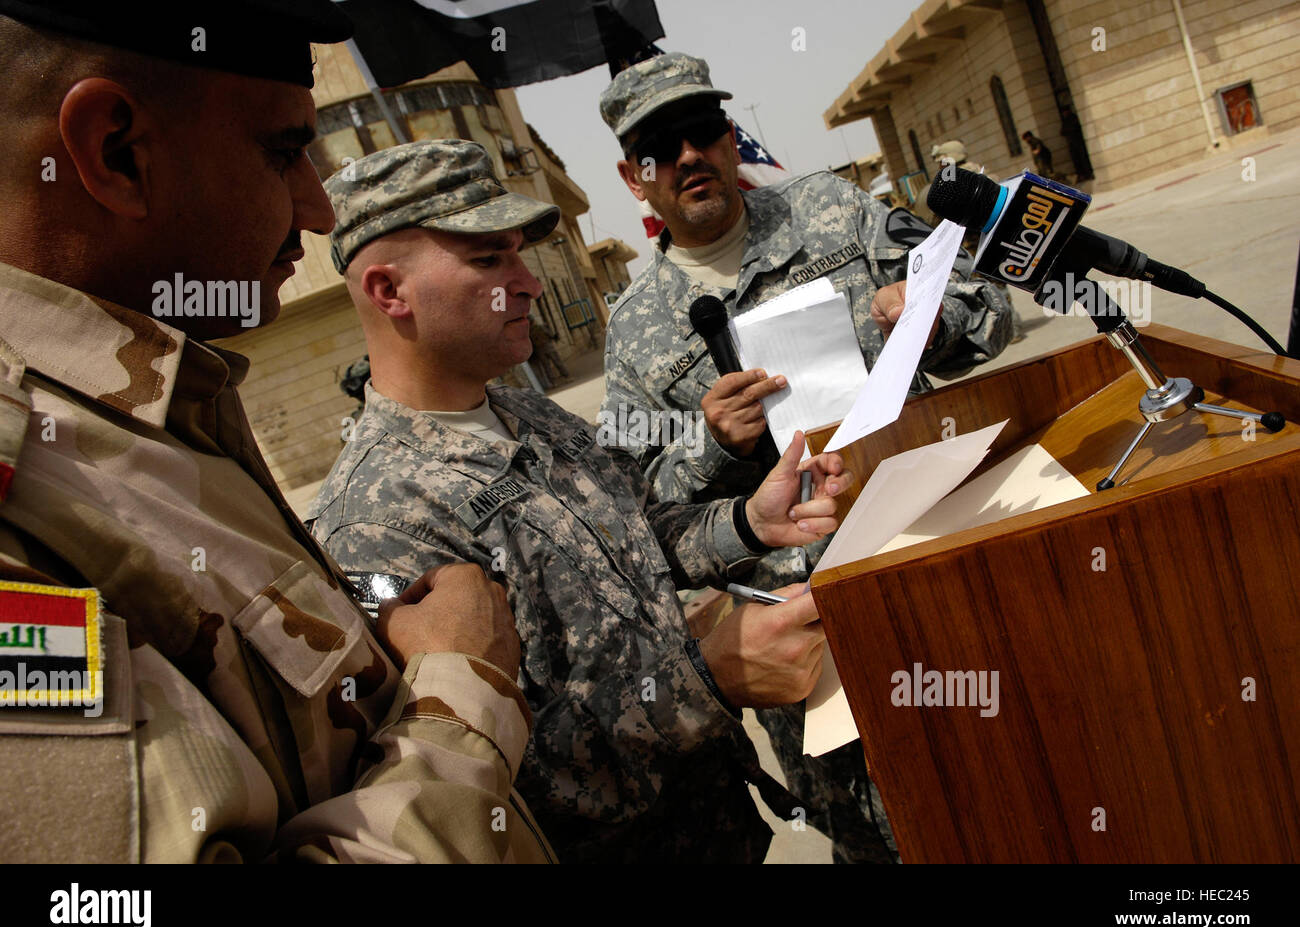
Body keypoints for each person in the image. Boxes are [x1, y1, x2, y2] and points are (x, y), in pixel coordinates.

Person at [0, 2, 551, 863]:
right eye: (284, 153)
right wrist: (458, 698)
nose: (320, 210)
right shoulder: (25, 499)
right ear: (117, 151)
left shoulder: (155, 414)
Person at [307, 138, 853, 863]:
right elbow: (473, 778)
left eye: (518, 254)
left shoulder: (531, 416)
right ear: (388, 291)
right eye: (488, 259)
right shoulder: (373, 518)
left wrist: (748, 522)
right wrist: (705, 678)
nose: (528, 282)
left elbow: (641, 536)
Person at [598, 52, 1015, 863]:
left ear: (729, 138)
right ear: (633, 176)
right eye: (660, 145)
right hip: (812, 638)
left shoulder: (832, 209)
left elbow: (987, 306)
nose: (688, 155)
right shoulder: (636, 328)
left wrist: (932, 315)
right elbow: (640, 511)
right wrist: (707, 444)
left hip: (937, 558)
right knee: (880, 837)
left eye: (702, 130)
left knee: (1014, 780)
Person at [527, 315, 569, 387]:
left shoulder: (529, 333)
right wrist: (554, 336)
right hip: (548, 346)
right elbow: (550, 334)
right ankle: (566, 376)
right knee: (557, 361)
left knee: (547, 367)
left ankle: (553, 382)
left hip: (539, 350)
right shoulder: (541, 327)